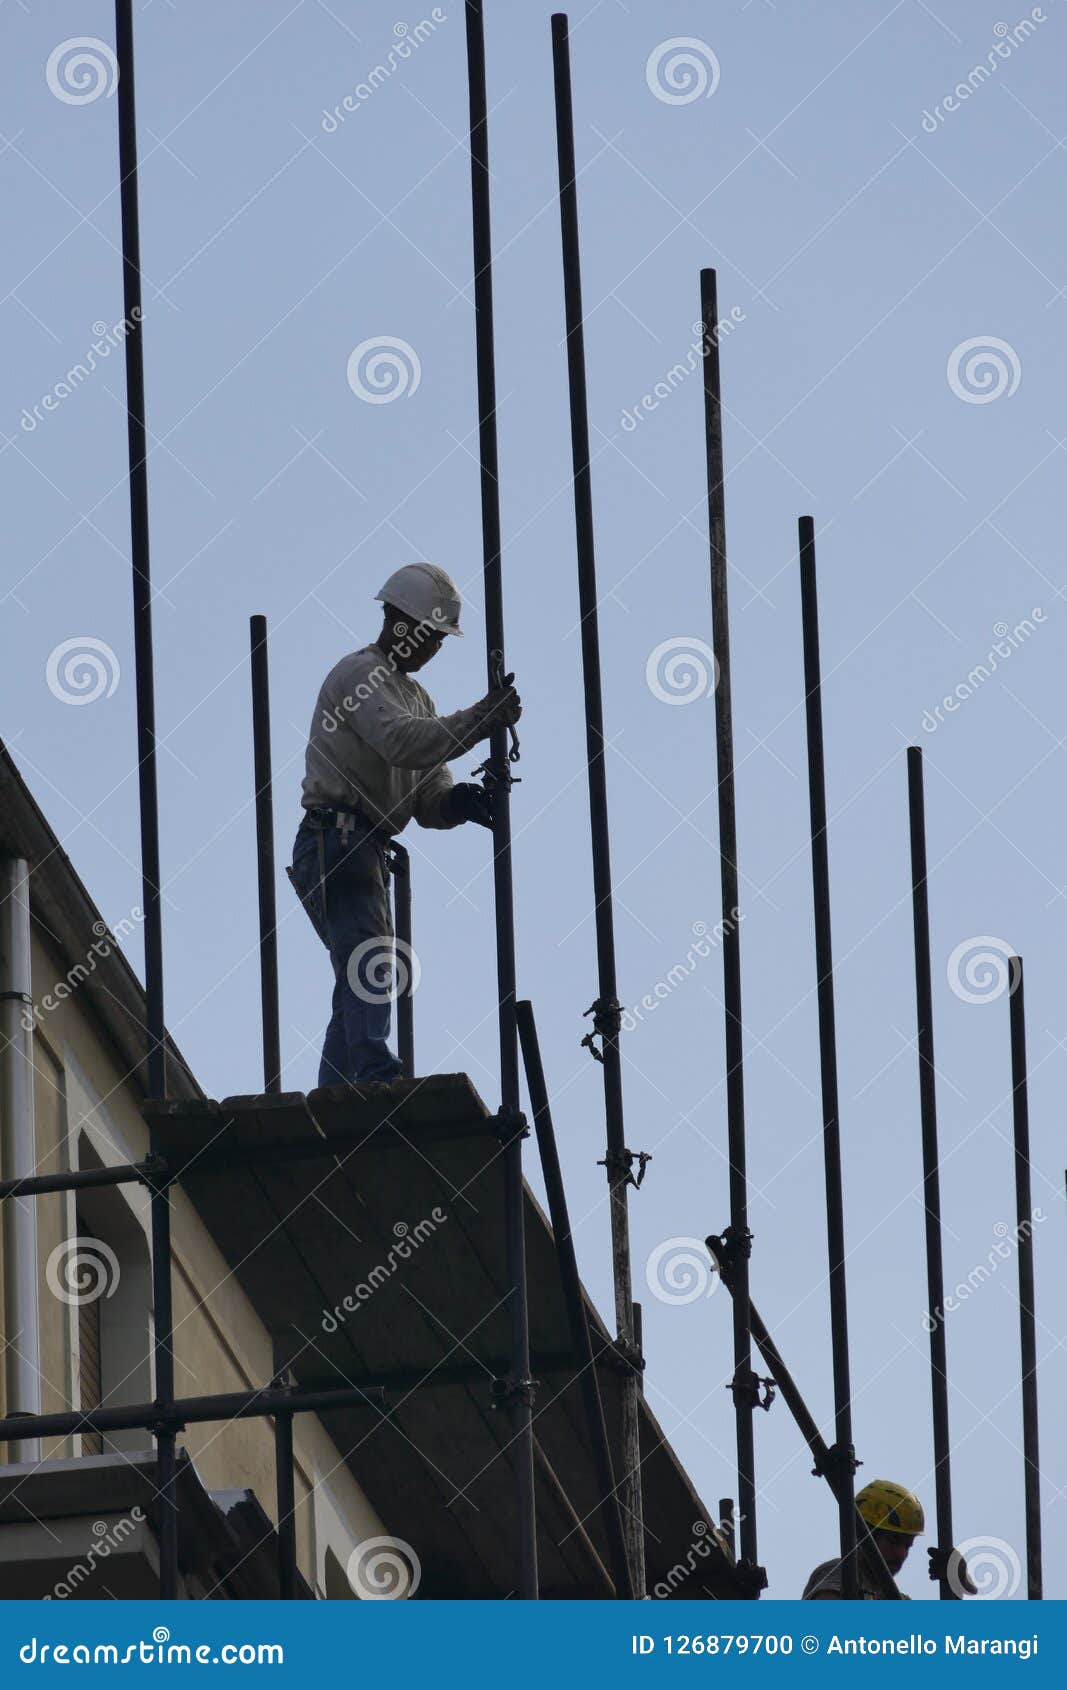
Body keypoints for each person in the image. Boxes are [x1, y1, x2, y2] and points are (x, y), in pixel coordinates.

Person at [290, 562, 521, 1086]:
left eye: (440, 639)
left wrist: (459, 801)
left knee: (361, 975)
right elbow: (404, 743)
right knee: (372, 962)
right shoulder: (359, 675)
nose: (434, 648)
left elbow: (426, 795)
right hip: (336, 840)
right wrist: (484, 718)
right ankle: (373, 1076)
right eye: (430, 634)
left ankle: (340, 1091)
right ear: (398, 620)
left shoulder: (415, 699)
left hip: (362, 847)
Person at [802, 1478, 924, 1599]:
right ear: (866, 1535)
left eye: (908, 1545)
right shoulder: (841, 1573)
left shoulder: (895, 1599)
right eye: (893, 1541)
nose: (901, 1553)